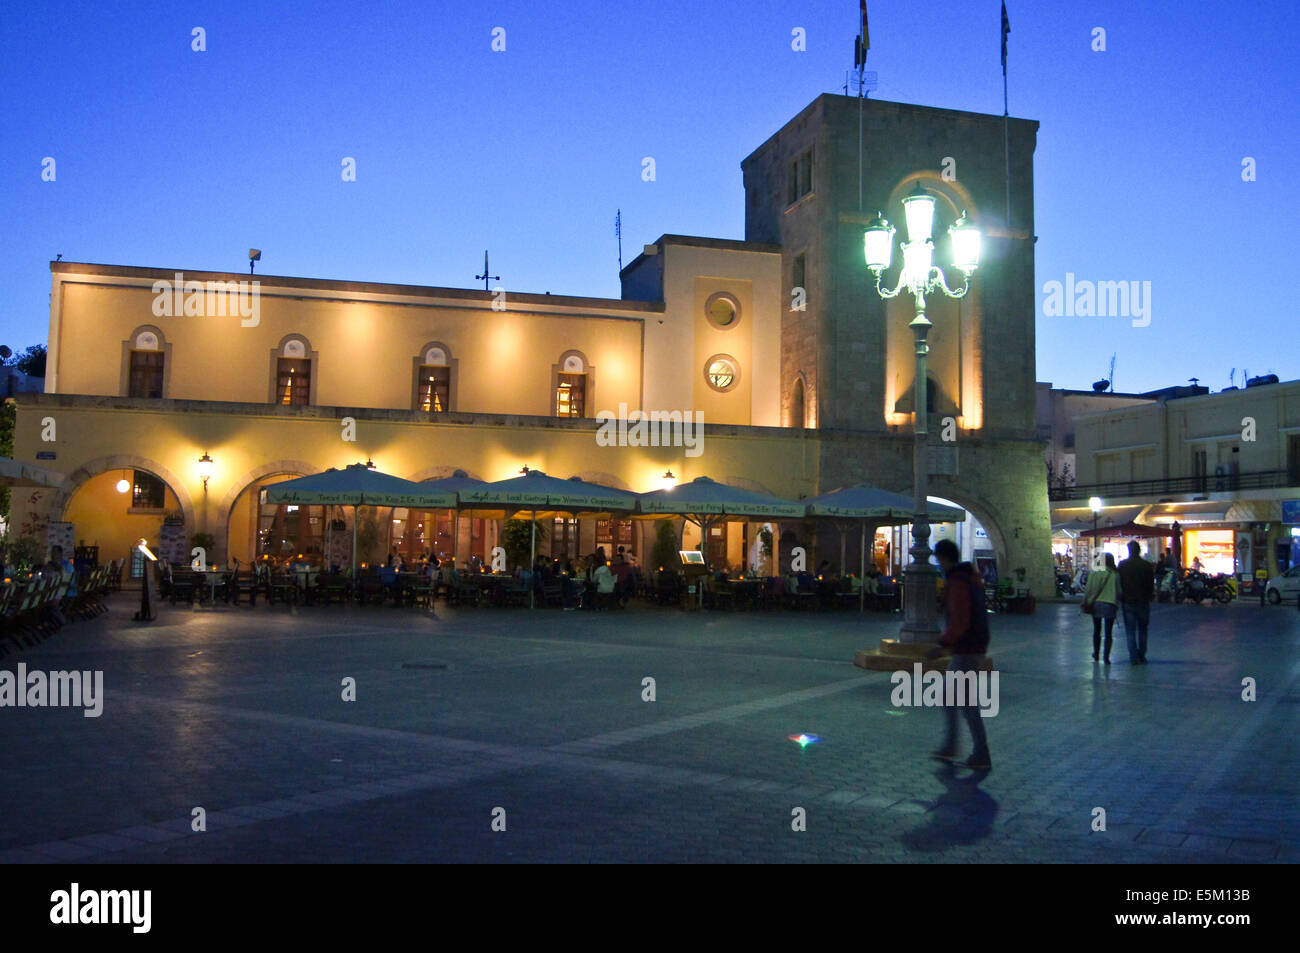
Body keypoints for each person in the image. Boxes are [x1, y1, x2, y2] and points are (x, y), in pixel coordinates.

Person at [928, 539, 991, 770]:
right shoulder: (969, 577)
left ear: (944, 558)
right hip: (973, 646)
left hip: (966, 648)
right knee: (959, 700)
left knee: (961, 701)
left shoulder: (958, 581)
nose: (938, 564)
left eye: (939, 559)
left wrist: (942, 644)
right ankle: (959, 747)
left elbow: (960, 619)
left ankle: (974, 751)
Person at [1117, 540, 1154, 664]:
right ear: (1139, 550)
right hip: (1143, 601)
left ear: (1129, 550)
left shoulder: (1122, 565)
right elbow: (1150, 584)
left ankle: (1133, 656)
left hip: (1128, 601)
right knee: (1143, 629)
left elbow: (1119, 583)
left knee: (1130, 629)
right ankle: (1142, 655)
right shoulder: (1147, 566)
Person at [1082, 552, 1121, 663]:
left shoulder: (1095, 573)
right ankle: (1106, 657)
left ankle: (1096, 653)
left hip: (1096, 604)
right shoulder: (1115, 574)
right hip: (1110, 604)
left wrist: (1085, 601)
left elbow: (1088, 589)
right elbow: (1119, 592)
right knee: (1108, 633)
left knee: (1097, 630)